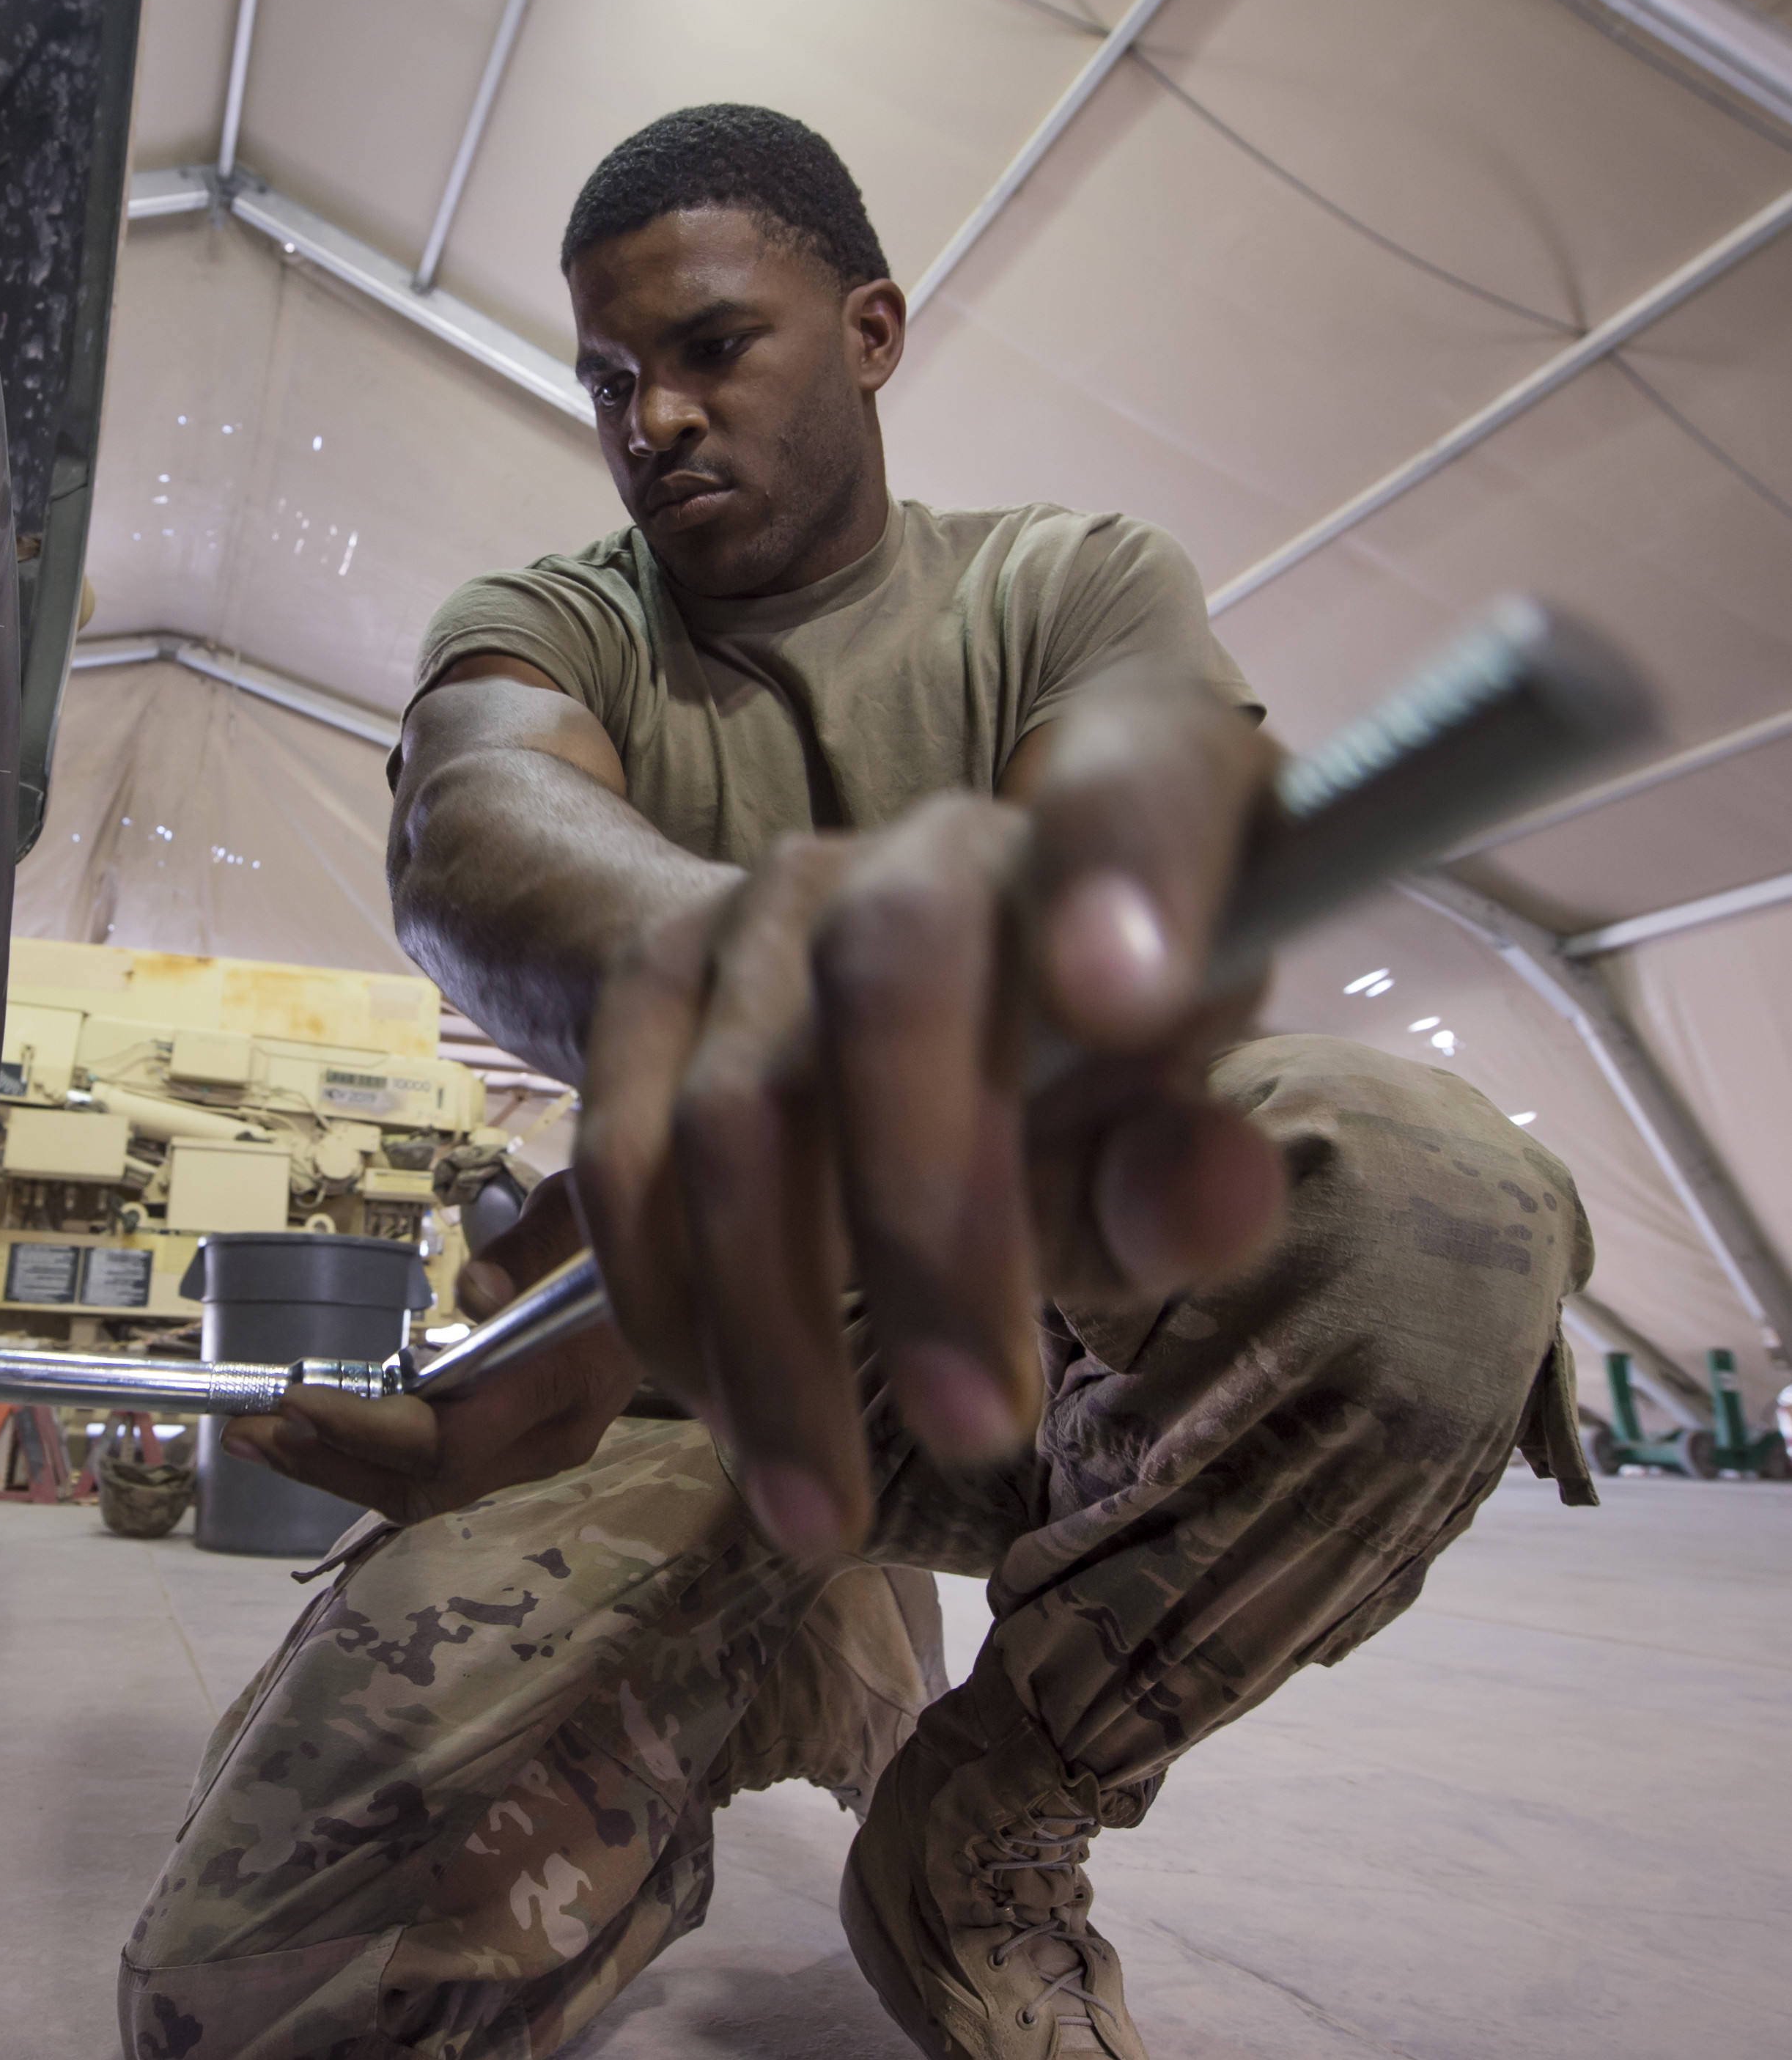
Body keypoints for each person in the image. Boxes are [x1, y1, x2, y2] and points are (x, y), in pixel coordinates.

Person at [117, 104, 1597, 2060]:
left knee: (1430, 1200)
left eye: (712, 348)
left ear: (871, 331)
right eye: (610, 379)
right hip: (665, 1385)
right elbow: (474, 830)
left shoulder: (1064, 587)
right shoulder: (555, 628)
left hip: (1021, 1343)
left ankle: (987, 1821)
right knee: (252, 2009)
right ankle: (783, 1636)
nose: (653, 417)